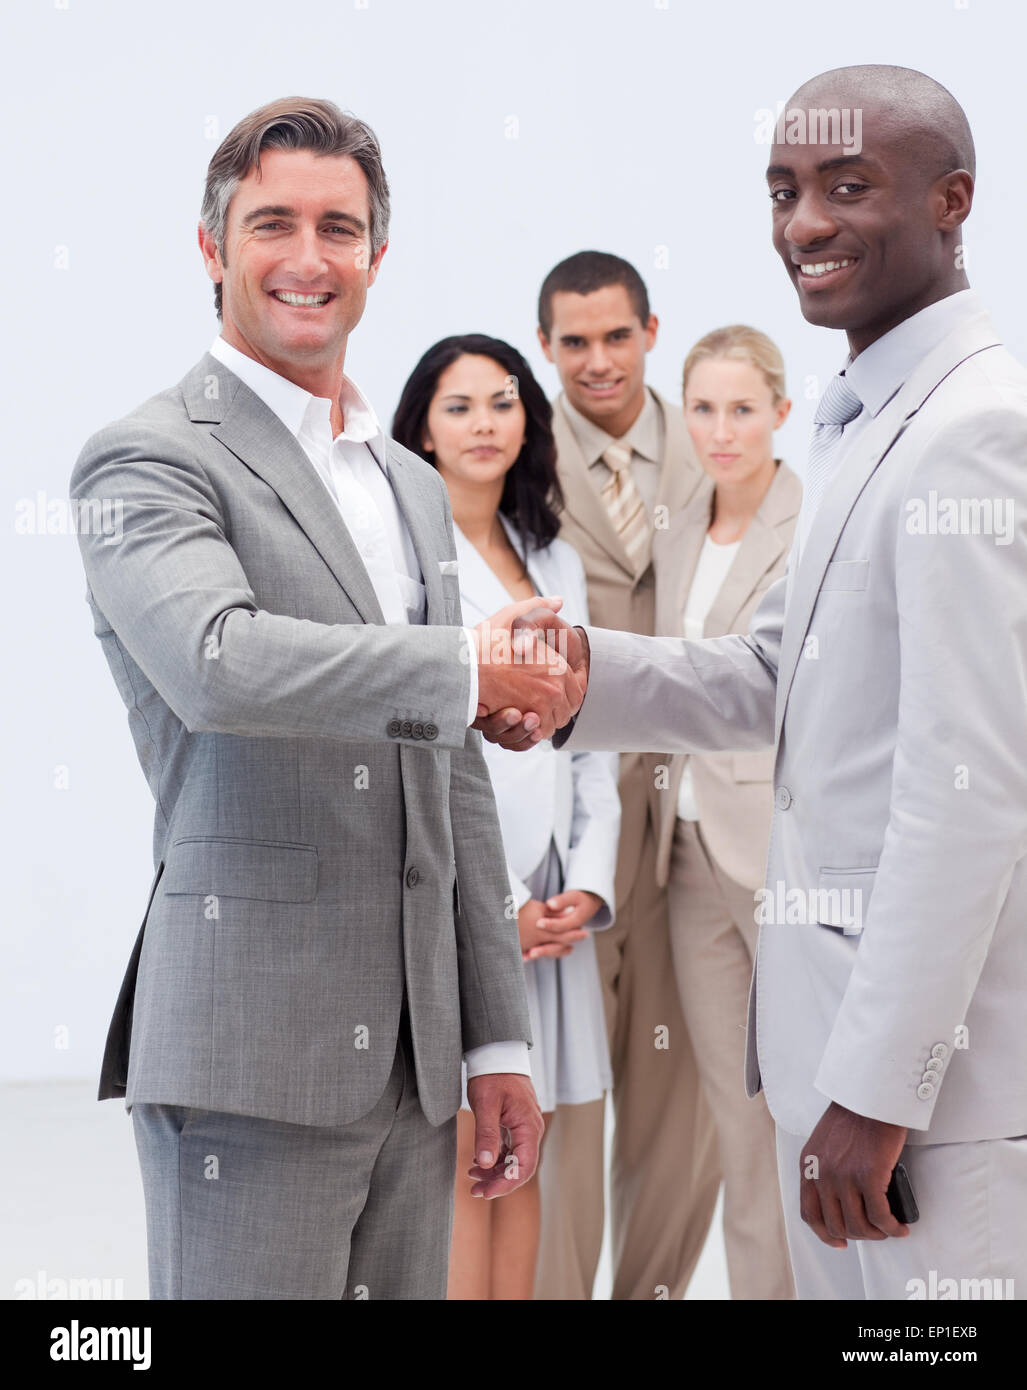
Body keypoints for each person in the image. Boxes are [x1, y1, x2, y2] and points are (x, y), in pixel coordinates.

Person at [476, 65, 1027, 1301]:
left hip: (922, 1100)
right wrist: (577, 679)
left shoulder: (969, 432)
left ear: (954, 200)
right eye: (783, 191)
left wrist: (879, 1091)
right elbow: (776, 673)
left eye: (847, 187)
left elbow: (972, 793)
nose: (804, 224)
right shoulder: (865, 415)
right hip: (837, 1059)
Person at [69, 97, 583, 1301]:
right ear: (212, 247)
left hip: (416, 1062)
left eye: (339, 228)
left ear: (375, 256)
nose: (309, 259)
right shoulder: (146, 455)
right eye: (272, 225)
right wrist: (467, 665)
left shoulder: (406, 481)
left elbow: (448, 765)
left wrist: (497, 1037)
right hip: (252, 1053)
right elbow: (217, 661)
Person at [393, 334, 620, 1299]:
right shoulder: (403, 558)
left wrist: (587, 888)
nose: (483, 424)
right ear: (423, 431)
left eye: (500, 402)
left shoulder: (552, 553)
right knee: (464, 1159)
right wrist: (492, 917)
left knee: (528, 1155)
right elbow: (410, 752)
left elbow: (594, 739)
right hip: (465, 901)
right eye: (458, 406)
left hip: (552, 910)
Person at [532, 251, 720, 1301]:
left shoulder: (709, 440)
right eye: (572, 341)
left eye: (615, 336)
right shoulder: (520, 453)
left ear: (650, 331)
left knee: (680, 1097)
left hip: (699, 818)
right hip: (578, 816)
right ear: (547, 348)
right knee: (568, 1087)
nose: (597, 361)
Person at [652, 325, 799, 1299]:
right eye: (701, 408)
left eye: (741, 408)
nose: (720, 429)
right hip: (686, 855)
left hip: (783, 857)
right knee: (737, 1124)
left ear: (781, 413)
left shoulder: (815, 524)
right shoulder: (675, 524)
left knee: (806, 1113)